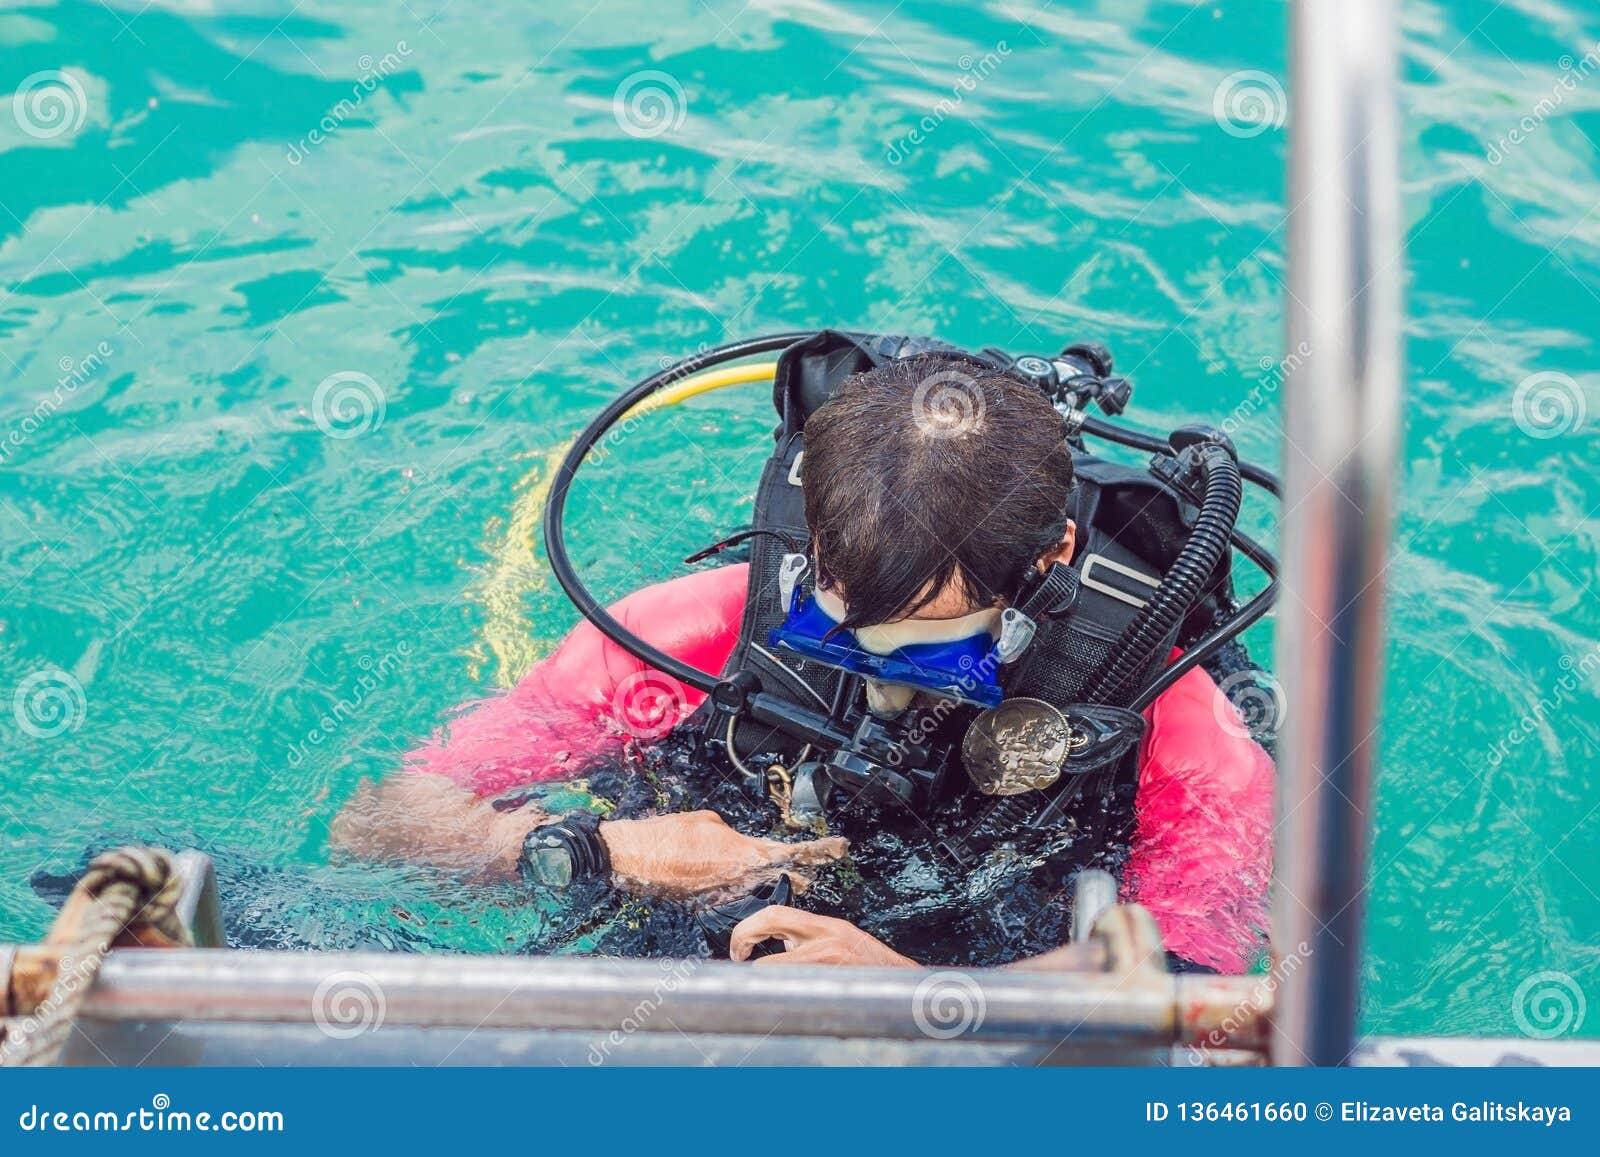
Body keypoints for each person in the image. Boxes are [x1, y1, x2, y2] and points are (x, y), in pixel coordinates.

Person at [333, 349, 1274, 972]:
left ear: (1049, 562)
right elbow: (374, 824)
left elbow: (1202, 1008)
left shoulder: (1178, 734)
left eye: (925, 642)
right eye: (835, 623)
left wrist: (923, 999)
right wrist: (595, 848)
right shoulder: (686, 631)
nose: (878, 681)